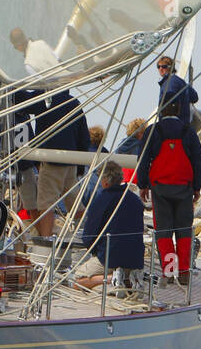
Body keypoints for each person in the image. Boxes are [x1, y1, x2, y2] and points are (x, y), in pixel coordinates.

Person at [136, 102, 201, 285]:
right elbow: (198, 160)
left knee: (163, 231)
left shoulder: (152, 131)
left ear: (160, 112)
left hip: (160, 188)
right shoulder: (188, 131)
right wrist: (197, 187)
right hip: (184, 188)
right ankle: (184, 273)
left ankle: (169, 271)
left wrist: (143, 185)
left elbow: (142, 160)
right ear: (178, 112)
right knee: (183, 231)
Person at [73, 161, 145, 291]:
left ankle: (112, 278)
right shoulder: (135, 200)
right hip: (136, 258)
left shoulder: (101, 200)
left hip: (111, 257)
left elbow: (89, 236)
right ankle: (128, 279)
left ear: (105, 181)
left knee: (77, 280)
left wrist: (96, 252)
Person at [31, 89, 91, 238]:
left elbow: (39, 132)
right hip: (71, 161)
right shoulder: (74, 102)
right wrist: (80, 166)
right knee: (74, 201)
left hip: (52, 160)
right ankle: (87, 234)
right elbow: (84, 136)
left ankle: (46, 241)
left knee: (46, 204)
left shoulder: (46, 101)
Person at [157, 56, 198, 123]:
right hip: (184, 125)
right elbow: (194, 97)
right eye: (158, 67)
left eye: (164, 66)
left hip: (170, 125)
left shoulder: (169, 83)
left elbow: (167, 103)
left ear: (170, 67)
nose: (160, 69)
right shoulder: (181, 82)